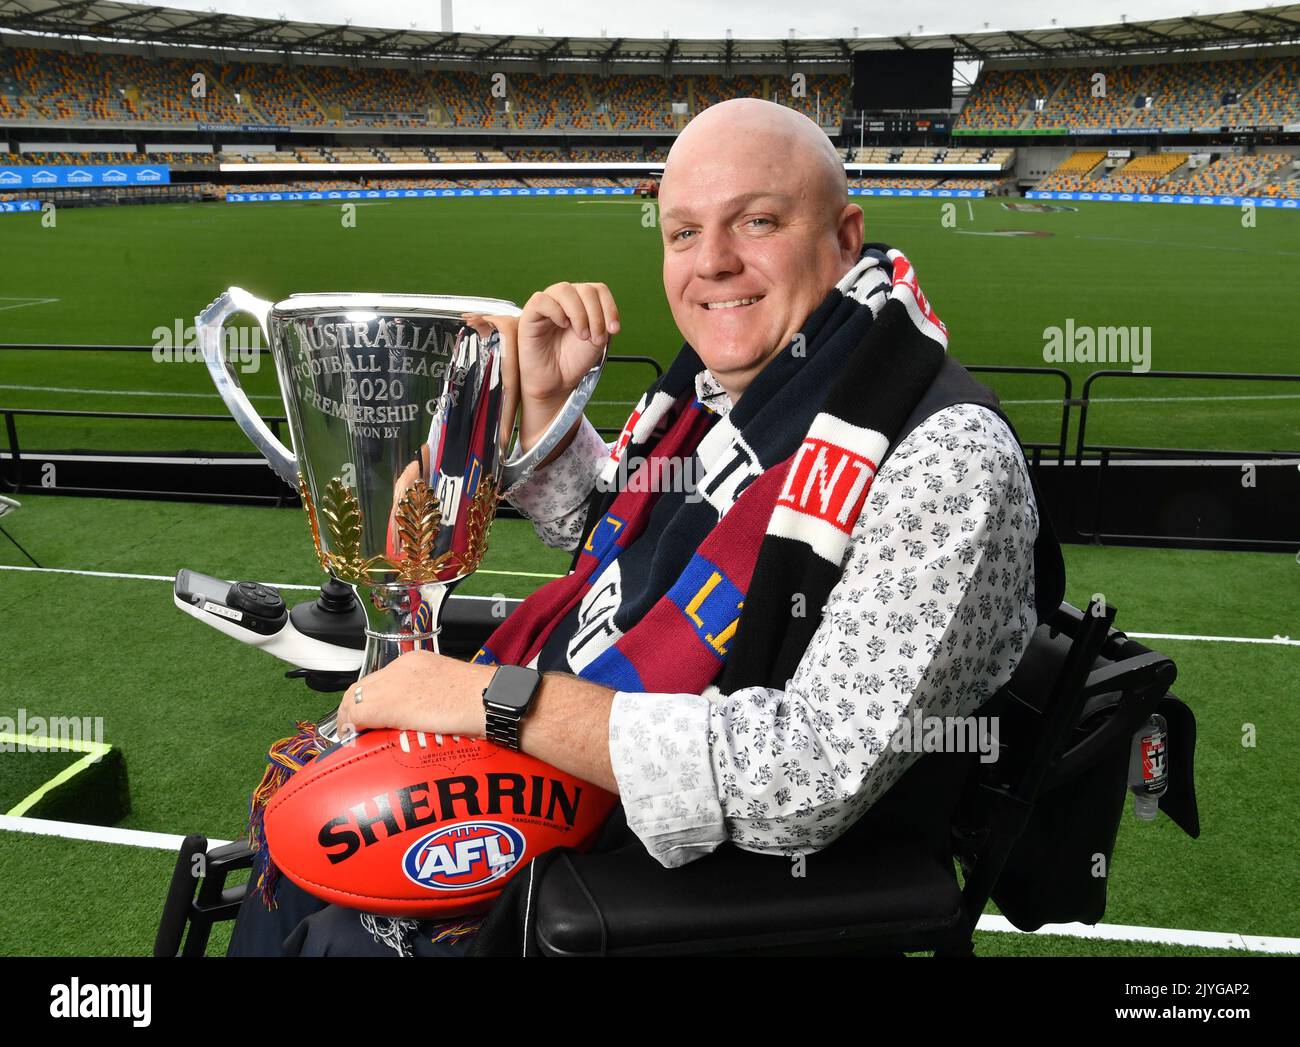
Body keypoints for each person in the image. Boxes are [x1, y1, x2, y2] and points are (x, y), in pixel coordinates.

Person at [227, 97, 1062, 957]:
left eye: (759, 221)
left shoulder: (944, 455)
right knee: (294, 844)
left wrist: (490, 701)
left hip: (692, 901)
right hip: (598, 826)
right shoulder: (735, 395)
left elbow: (809, 776)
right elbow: (632, 566)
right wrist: (547, 409)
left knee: (330, 931)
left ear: (845, 238)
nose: (715, 264)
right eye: (683, 233)